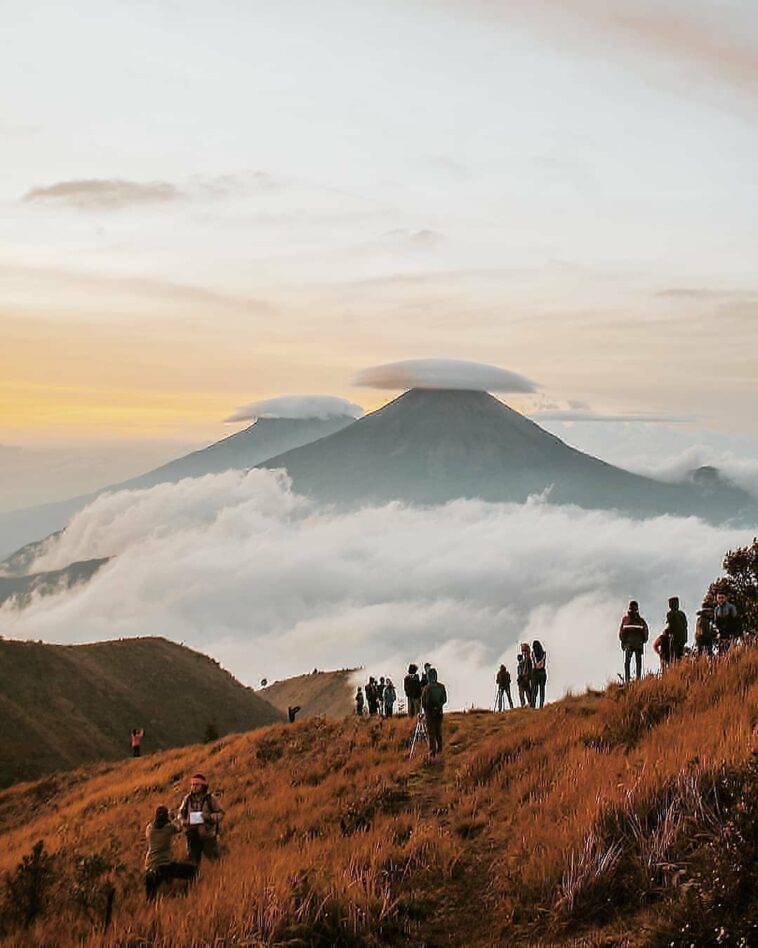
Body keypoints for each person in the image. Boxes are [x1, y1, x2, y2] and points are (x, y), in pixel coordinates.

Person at [144, 805, 197, 901]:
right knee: (193, 872)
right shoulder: (168, 828)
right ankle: (188, 894)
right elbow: (179, 828)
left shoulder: (149, 829)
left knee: (150, 898)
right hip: (165, 864)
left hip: (150, 865)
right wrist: (173, 818)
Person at [179, 773, 224, 866]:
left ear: (203, 786)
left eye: (196, 785)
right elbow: (180, 814)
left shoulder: (210, 799)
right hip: (192, 834)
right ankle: (196, 878)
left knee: (213, 860)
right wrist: (183, 821)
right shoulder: (187, 799)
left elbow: (221, 813)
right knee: (193, 862)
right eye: (192, 785)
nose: (193, 787)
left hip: (207, 835)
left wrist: (208, 817)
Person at [619, 600, 649, 682]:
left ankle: (635, 679)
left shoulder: (638, 620)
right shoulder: (628, 620)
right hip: (631, 645)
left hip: (635, 645)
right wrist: (623, 642)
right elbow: (622, 633)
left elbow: (622, 633)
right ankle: (629, 680)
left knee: (634, 663)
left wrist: (623, 641)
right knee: (629, 663)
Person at [421, 667, 447, 758]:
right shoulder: (441, 687)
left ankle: (432, 753)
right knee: (438, 732)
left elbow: (423, 703)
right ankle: (440, 749)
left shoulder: (426, 688)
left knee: (431, 733)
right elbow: (444, 699)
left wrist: (427, 710)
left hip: (429, 713)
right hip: (439, 712)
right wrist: (438, 706)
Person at [665, 597, 688, 661]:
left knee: (673, 656)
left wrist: (666, 632)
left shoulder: (670, 614)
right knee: (680, 656)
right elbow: (685, 625)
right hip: (682, 638)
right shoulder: (682, 614)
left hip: (675, 638)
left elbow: (671, 626)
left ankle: (675, 667)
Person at [530, 641, 547, 708]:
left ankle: (533, 705)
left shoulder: (533, 654)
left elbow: (534, 665)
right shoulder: (543, 654)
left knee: (534, 690)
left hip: (535, 673)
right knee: (542, 690)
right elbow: (543, 664)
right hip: (542, 672)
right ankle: (541, 705)